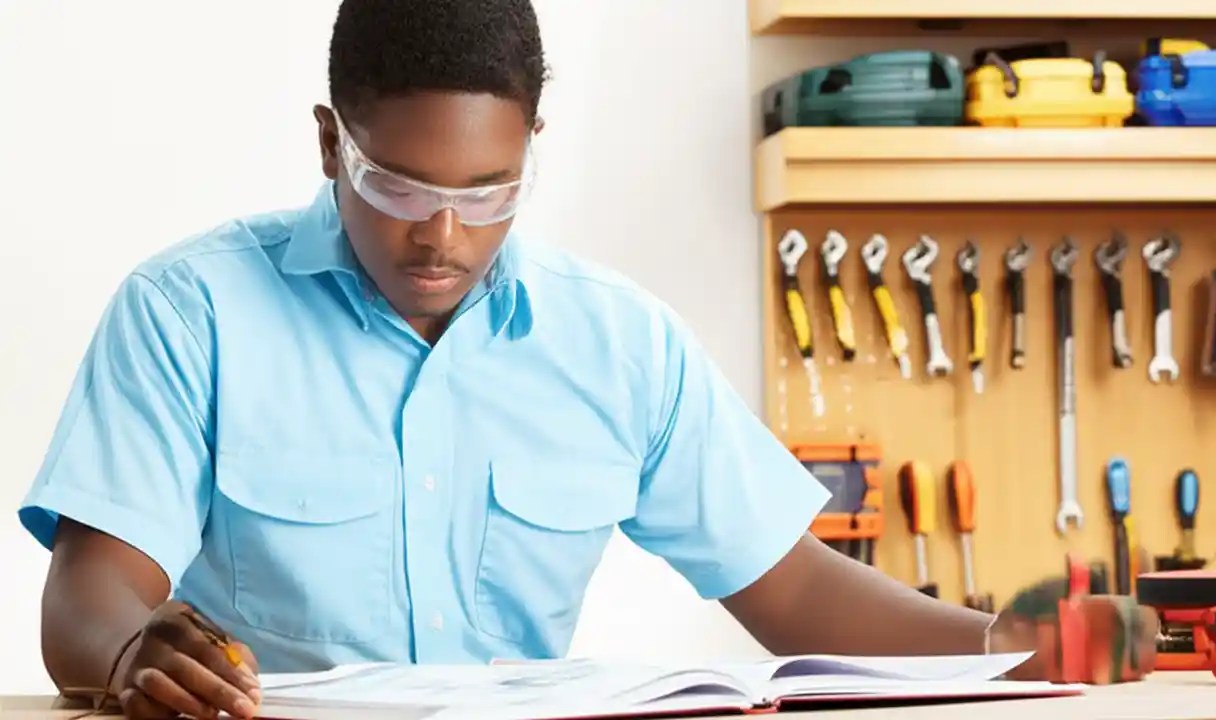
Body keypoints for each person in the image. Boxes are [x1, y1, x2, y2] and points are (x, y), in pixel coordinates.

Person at [18, 1, 1153, 719]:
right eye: (399, 187)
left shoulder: (617, 343)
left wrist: (1003, 644)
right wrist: (129, 656)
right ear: (331, 143)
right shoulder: (189, 313)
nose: (442, 236)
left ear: (530, 149)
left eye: (489, 193)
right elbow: (88, 598)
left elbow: (796, 587)